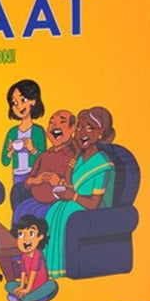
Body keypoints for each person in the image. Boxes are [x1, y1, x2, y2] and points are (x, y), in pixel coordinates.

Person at [45, 106, 116, 279]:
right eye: (79, 127)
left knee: (66, 213)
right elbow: (70, 182)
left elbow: (94, 203)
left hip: (94, 211)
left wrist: (72, 196)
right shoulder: (81, 157)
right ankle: (47, 268)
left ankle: (60, 269)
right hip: (75, 202)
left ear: (101, 133)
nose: (81, 132)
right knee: (53, 211)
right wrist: (76, 154)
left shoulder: (102, 164)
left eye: (89, 128)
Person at [13, 108, 77, 223]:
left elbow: (78, 186)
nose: (55, 126)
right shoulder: (44, 156)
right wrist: (36, 180)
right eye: (51, 123)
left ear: (72, 128)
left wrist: (59, 182)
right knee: (20, 213)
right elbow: (27, 181)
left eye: (62, 122)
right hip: (34, 203)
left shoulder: (75, 155)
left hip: (57, 205)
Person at [1, 79, 47, 183]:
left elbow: (45, 159)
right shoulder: (12, 132)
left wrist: (32, 149)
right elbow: (4, 161)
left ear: (33, 101)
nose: (19, 106)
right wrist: (10, 153)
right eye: (14, 103)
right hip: (17, 175)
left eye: (23, 100)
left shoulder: (38, 131)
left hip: (35, 174)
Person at [5, 215, 58, 301]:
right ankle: (31, 296)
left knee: (52, 284)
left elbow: (33, 273)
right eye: (21, 234)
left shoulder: (37, 254)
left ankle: (25, 296)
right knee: (9, 285)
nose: (25, 238)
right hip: (29, 286)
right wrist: (21, 287)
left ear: (40, 236)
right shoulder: (24, 255)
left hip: (41, 286)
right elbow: (23, 272)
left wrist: (27, 290)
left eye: (31, 234)